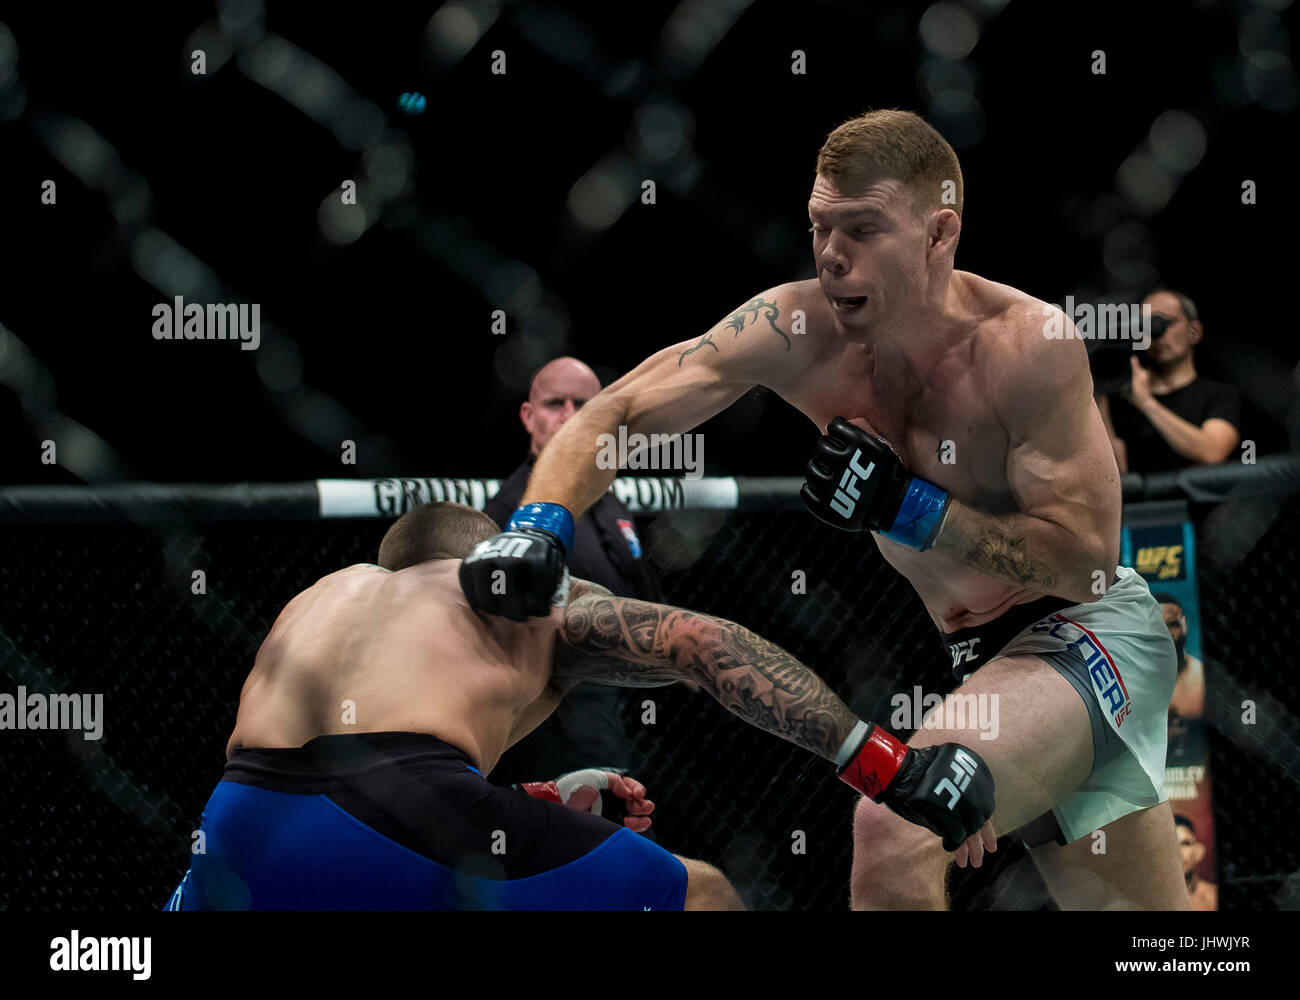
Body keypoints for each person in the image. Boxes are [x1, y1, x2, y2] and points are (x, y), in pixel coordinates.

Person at [462, 108, 1188, 909]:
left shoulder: (1028, 347)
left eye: (864, 230)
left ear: (939, 234)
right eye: (820, 228)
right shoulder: (797, 327)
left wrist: (912, 509)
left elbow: (1085, 558)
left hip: (1090, 632)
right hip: (983, 661)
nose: (833, 257)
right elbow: (619, 412)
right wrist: (539, 524)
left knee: (894, 823)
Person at [166, 502, 994, 910]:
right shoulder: (512, 588)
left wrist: (519, 802)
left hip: (240, 825)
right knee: (702, 895)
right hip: (408, 814)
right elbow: (704, 646)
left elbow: (318, 775)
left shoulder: (322, 597)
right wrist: (882, 761)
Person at [486, 357, 661, 792]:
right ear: (528, 416)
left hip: (629, 701)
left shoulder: (608, 497)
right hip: (562, 709)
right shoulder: (515, 511)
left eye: (583, 405)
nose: (569, 416)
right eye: (554, 403)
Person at [1099, 289, 1242, 474]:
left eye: (1163, 322)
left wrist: (1147, 403)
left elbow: (1212, 452)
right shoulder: (1122, 397)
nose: (1155, 333)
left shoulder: (1219, 395)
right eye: (1145, 325)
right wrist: (1099, 392)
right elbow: (1115, 473)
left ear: (1194, 331)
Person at [1175, 814, 1218, 911]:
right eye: (1169, 844)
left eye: (1185, 843)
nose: (1177, 852)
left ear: (1199, 851)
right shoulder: (1149, 901)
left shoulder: (1213, 897)